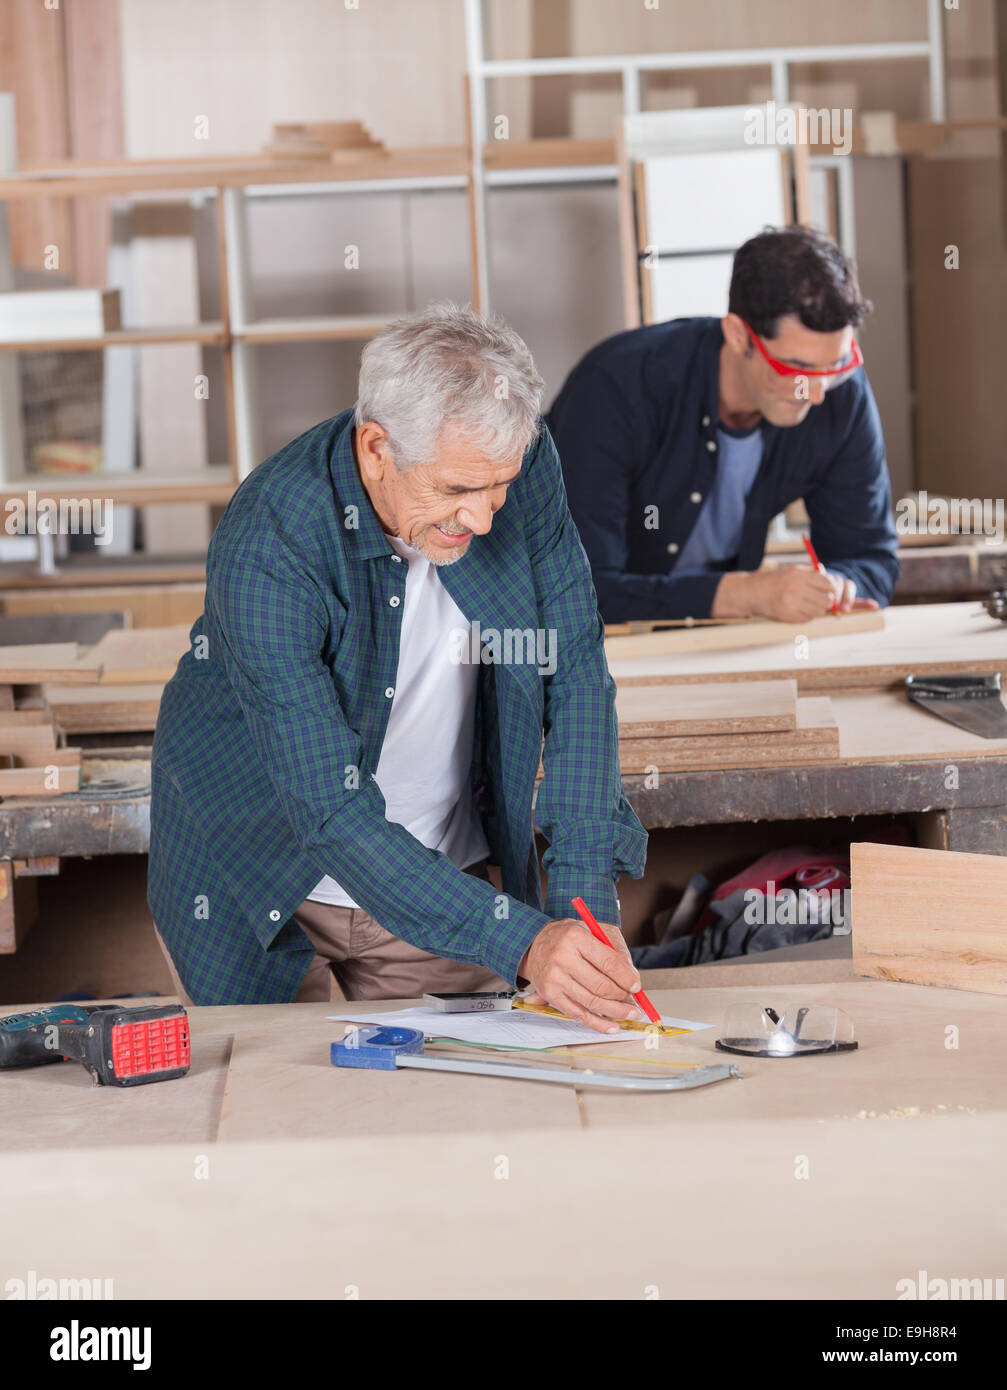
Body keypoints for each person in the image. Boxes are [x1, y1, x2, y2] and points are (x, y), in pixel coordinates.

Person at [148, 302, 647, 1033]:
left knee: (458, 1109)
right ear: (377, 447)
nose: (481, 519)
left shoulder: (514, 456)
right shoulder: (270, 536)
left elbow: (572, 669)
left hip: (438, 869)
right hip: (256, 872)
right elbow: (328, 808)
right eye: (453, 491)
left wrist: (579, 908)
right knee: (279, 1110)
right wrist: (525, 940)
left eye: (498, 486)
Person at [547, 225, 899, 623]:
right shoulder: (616, 389)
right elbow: (582, 592)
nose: (816, 393)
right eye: (795, 369)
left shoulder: (840, 393)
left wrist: (840, 586)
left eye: (835, 365)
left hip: (725, 635)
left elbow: (869, 557)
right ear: (737, 335)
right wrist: (743, 594)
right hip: (608, 647)